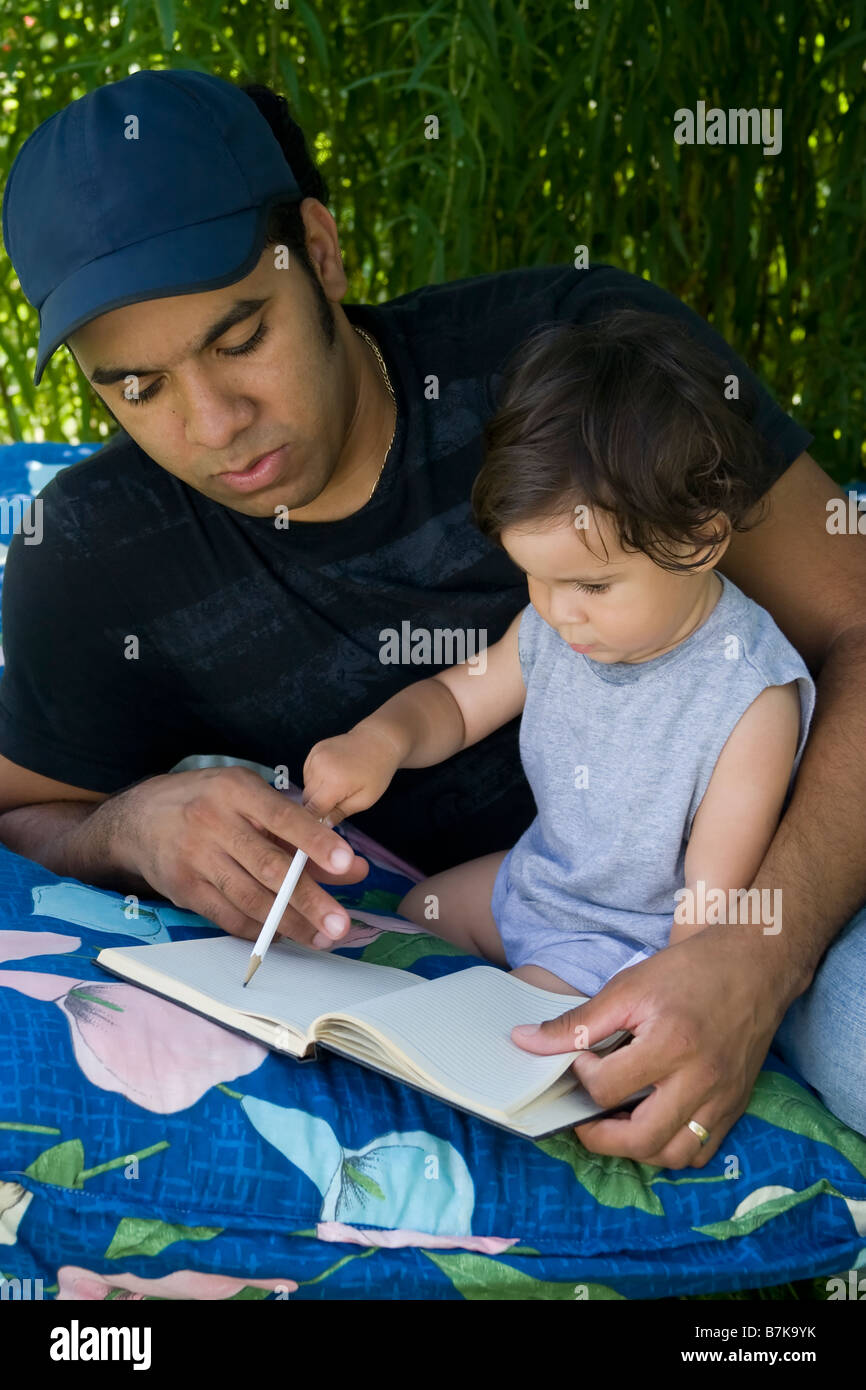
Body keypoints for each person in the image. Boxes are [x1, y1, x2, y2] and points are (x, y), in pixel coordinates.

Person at [0, 70, 864, 1168]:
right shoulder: (89, 550)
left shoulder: (581, 363)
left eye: (239, 337)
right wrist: (131, 828)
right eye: (136, 387)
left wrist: (755, 956)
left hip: (784, 853)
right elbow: (31, 809)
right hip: (516, 903)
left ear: (317, 251)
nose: (214, 424)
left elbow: (857, 622)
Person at [300, 310, 816, 1017]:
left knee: (502, 1033)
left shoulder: (751, 695)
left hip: (627, 945)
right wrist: (379, 741)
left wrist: (675, 1006)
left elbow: (709, 903)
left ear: (700, 539)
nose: (557, 610)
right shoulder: (557, 624)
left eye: (591, 586)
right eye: (534, 579)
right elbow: (455, 704)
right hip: (534, 882)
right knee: (400, 921)